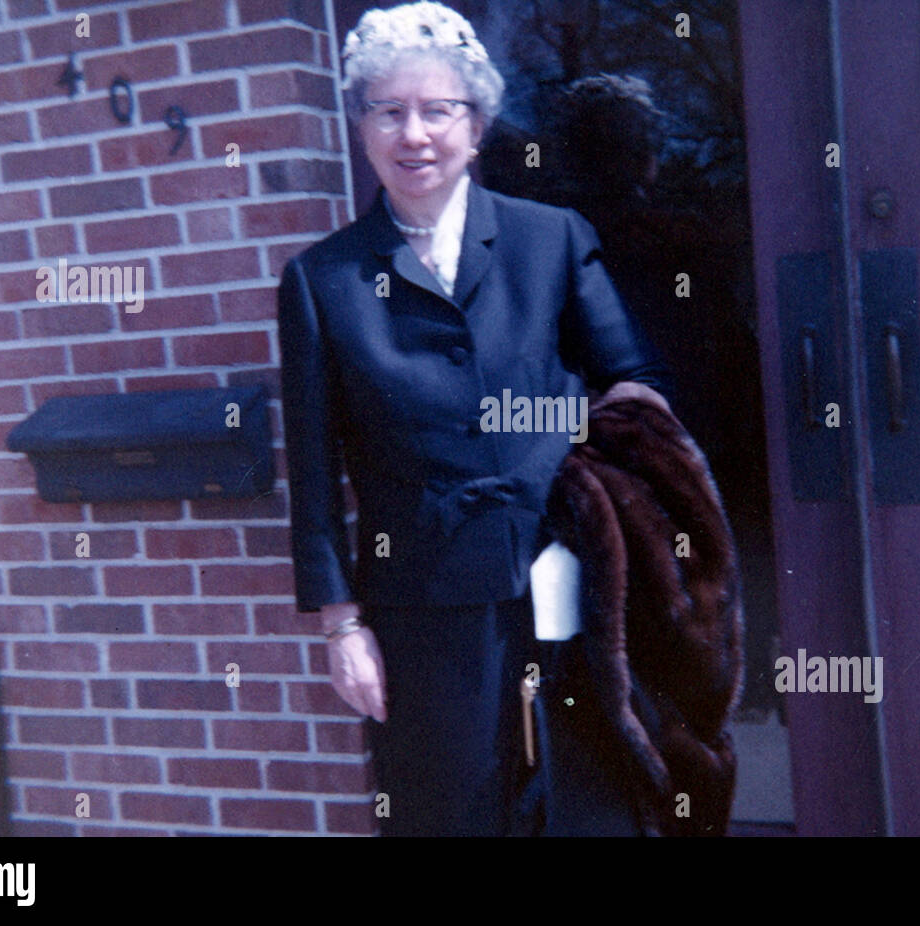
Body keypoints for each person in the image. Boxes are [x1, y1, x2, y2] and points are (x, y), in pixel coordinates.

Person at [276, 1, 668, 836]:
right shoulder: (324, 280)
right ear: (360, 126)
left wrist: (603, 511)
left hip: (569, 582)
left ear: (478, 124)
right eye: (387, 110)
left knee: (593, 810)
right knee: (447, 816)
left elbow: (633, 391)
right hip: (422, 608)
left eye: (436, 109)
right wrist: (341, 624)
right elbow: (311, 470)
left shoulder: (551, 240)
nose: (412, 134)